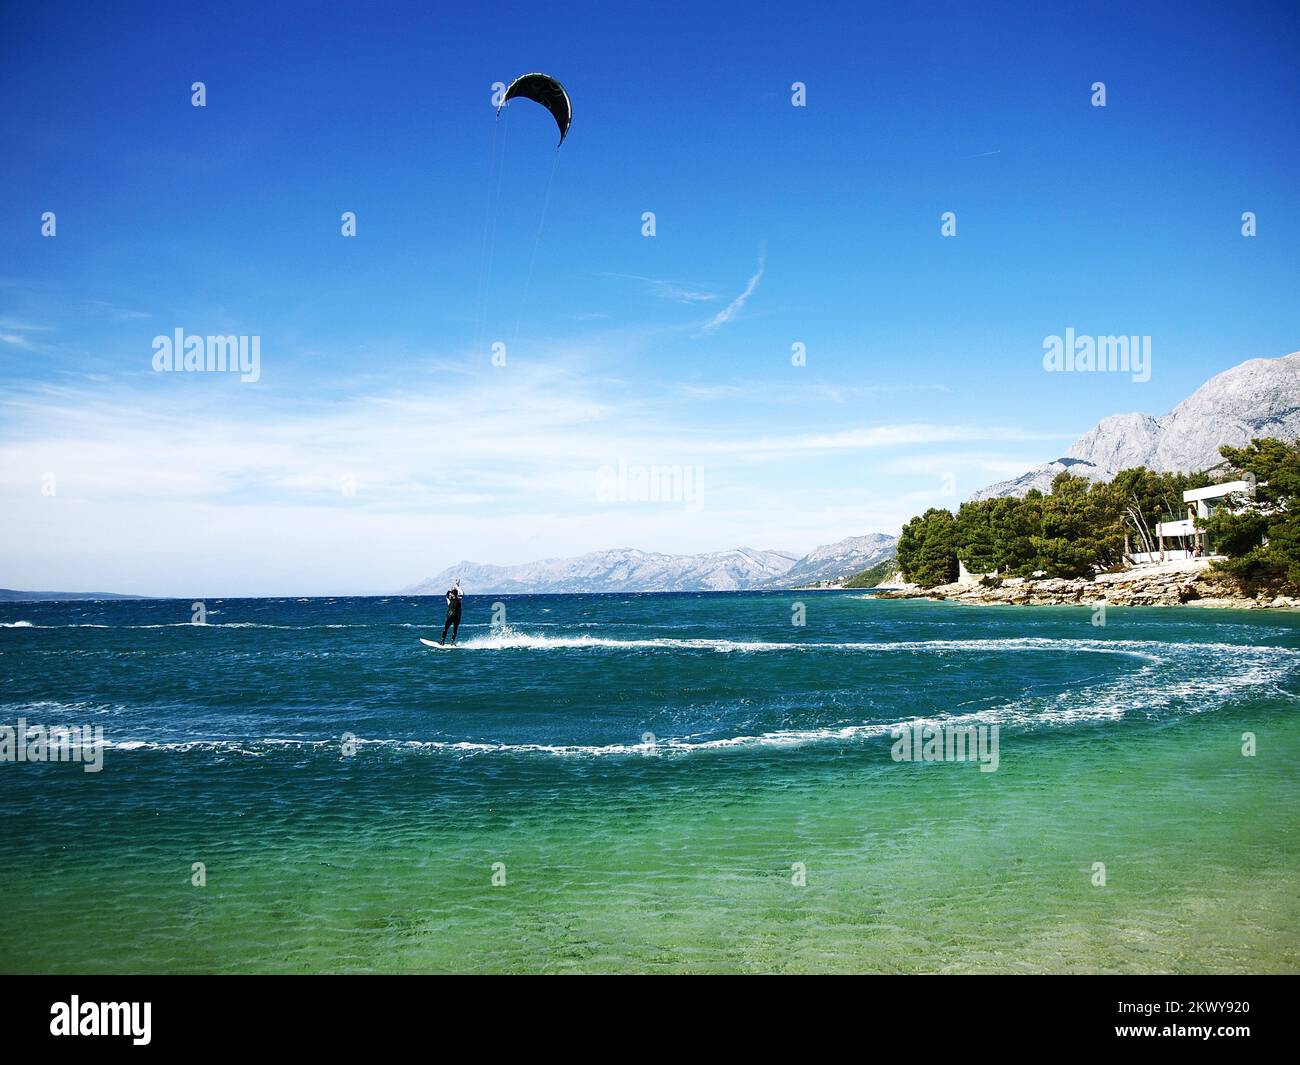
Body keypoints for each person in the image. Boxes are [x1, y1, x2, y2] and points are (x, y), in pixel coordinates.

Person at [440, 580, 464, 645]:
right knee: (455, 629)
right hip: (457, 617)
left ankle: (442, 642)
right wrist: (457, 586)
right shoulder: (459, 599)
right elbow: (462, 593)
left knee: (446, 628)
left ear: (452, 594)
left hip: (450, 616)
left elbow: (447, 595)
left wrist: (450, 589)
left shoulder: (450, 599)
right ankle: (452, 642)